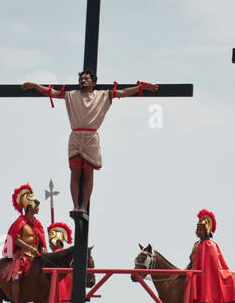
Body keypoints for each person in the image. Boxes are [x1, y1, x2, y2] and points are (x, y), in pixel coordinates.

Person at [20, 72, 159, 228]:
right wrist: (34, 85)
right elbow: (50, 92)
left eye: (86, 79)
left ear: (93, 82)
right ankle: (75, 206)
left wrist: (142, 87)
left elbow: (123, 93)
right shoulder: (71, 95)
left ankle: (83, 206)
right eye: (81, 79)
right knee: (75, 173)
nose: (83, 81)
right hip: (76, 135)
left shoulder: (103, 95)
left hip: (91, 137)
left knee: (88, 174)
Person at [1, 185, 46, 303]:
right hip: (23, 255)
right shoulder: (20, 222)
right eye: (37, 205)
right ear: (31, 206)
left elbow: (40, 241)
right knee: (16, 277)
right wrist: (30, 248)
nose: (39, 208)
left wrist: (41, 248)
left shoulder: (37, 223)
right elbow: (15, 239)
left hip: (36, 257)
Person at [188, 209, 235, 303]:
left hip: (205, 273)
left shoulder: (210, 245)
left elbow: (212, 265)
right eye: (197, 229)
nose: (198, 232)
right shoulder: (197, 244)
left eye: (200, 230)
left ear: (206, 231)